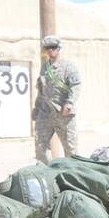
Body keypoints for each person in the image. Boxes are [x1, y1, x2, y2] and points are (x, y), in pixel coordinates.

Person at [34, 35, 81, 163]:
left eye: (53, 47)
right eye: (47, 48)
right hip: (46, 113)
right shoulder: (44, 67)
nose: (50, 50)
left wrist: (69, 102)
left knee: (71, 150)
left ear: (59, 48)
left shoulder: (68, 66)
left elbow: (75, 85)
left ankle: (72, 177)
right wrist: (36, 107)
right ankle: (46, 173)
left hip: (63, 114)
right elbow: (41, 88)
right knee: (40, 147)